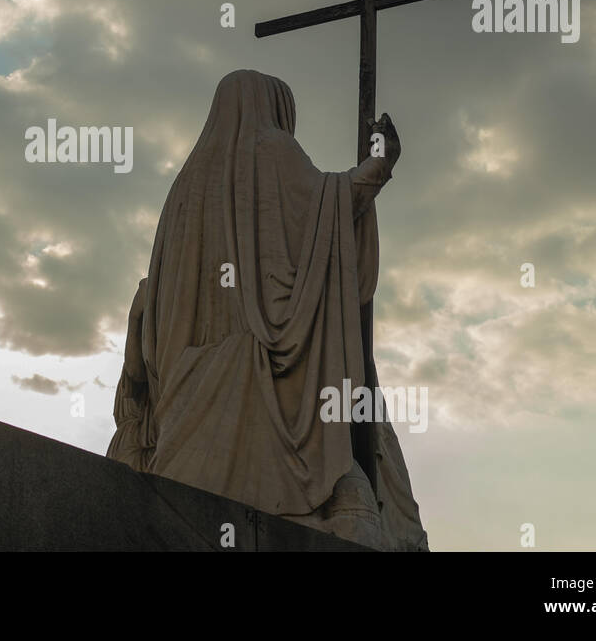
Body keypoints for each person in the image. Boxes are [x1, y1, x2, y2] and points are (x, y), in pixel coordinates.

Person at [106, 69, 427, 550]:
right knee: (352, 496)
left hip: (186, 400)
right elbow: (335, 206)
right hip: (268, 392)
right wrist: (380, 161)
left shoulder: (181, 188)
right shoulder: (272, 151)